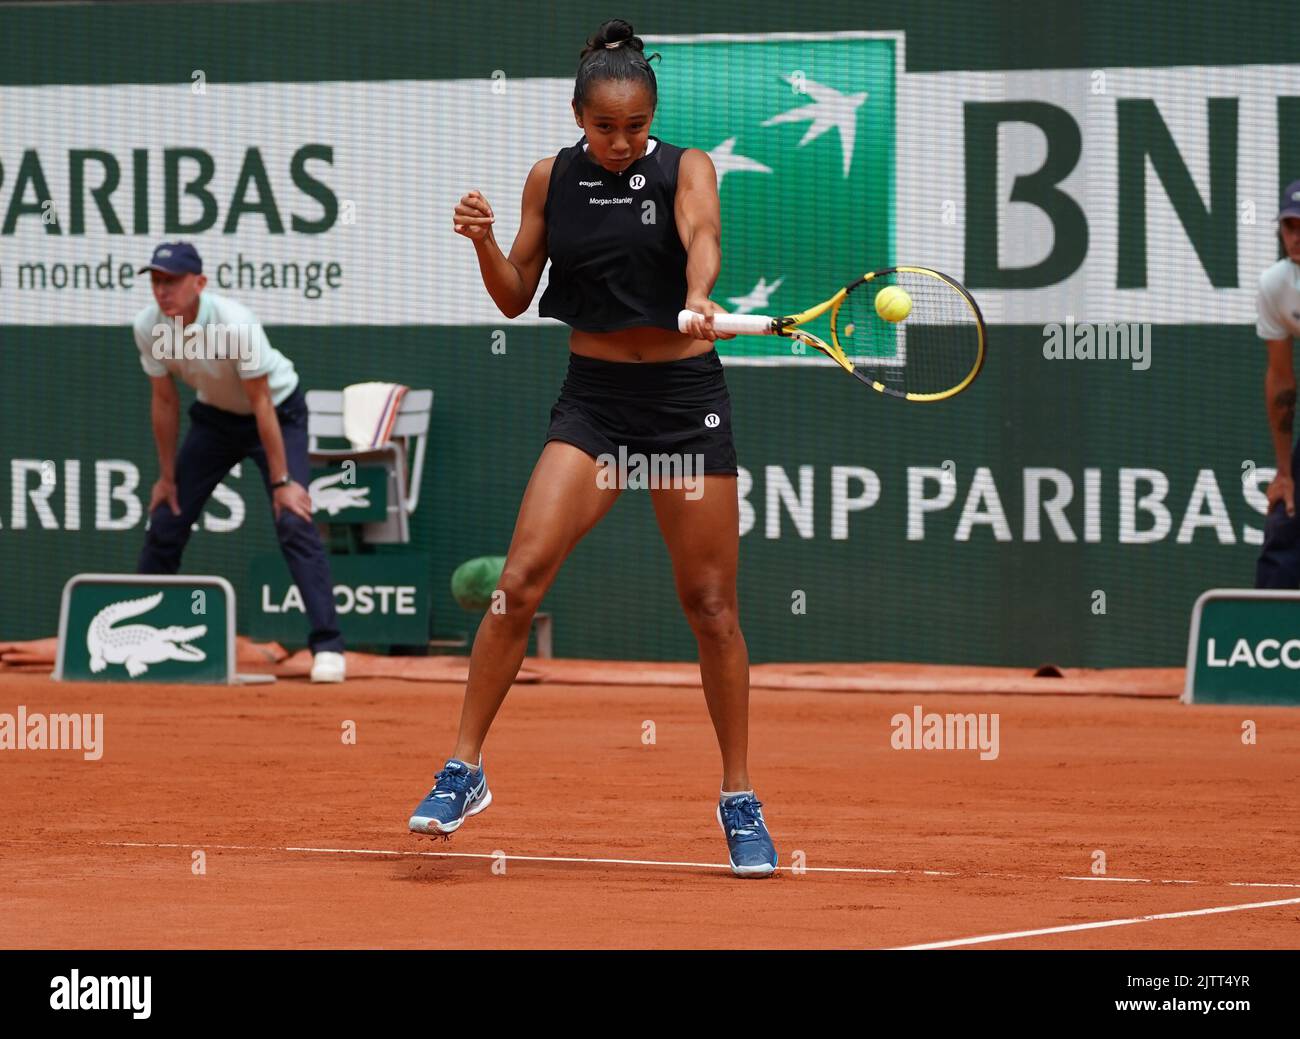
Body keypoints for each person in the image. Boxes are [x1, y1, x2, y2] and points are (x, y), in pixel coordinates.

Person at [408, 19, 778, 877]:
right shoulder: (552, 177)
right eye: (604, 126)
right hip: (596, 406)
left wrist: (697, 294)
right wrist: (482, 242)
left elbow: (704, 235)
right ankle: (463, 768)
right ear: (578, 113)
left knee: (712, 607)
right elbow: (514, 296)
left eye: (635, 127)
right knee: (519, 579)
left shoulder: (687, 166)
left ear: (653, 117)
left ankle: (739, 797)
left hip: (684, 406)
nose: (619, 142)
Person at [132, 241, 347, 682]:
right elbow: (165, 401)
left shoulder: (235, 324)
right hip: (214, 419)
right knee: (166, 516)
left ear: (200, 283)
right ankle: (143, 639)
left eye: (170, 280)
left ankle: (328, 647)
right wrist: (167, 477)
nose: (161, 290)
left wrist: (283, 480)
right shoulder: (148, 327)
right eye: (155, 281)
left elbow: (262, 402)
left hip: (276, 413)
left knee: (292, 518)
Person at [1256, 180, 1300, 588]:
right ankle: (1271, 642)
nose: (1296, 237)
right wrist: (1285, 471)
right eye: (1290, 226)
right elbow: (1282, 379)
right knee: (1286, 517)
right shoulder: (1275, 285)